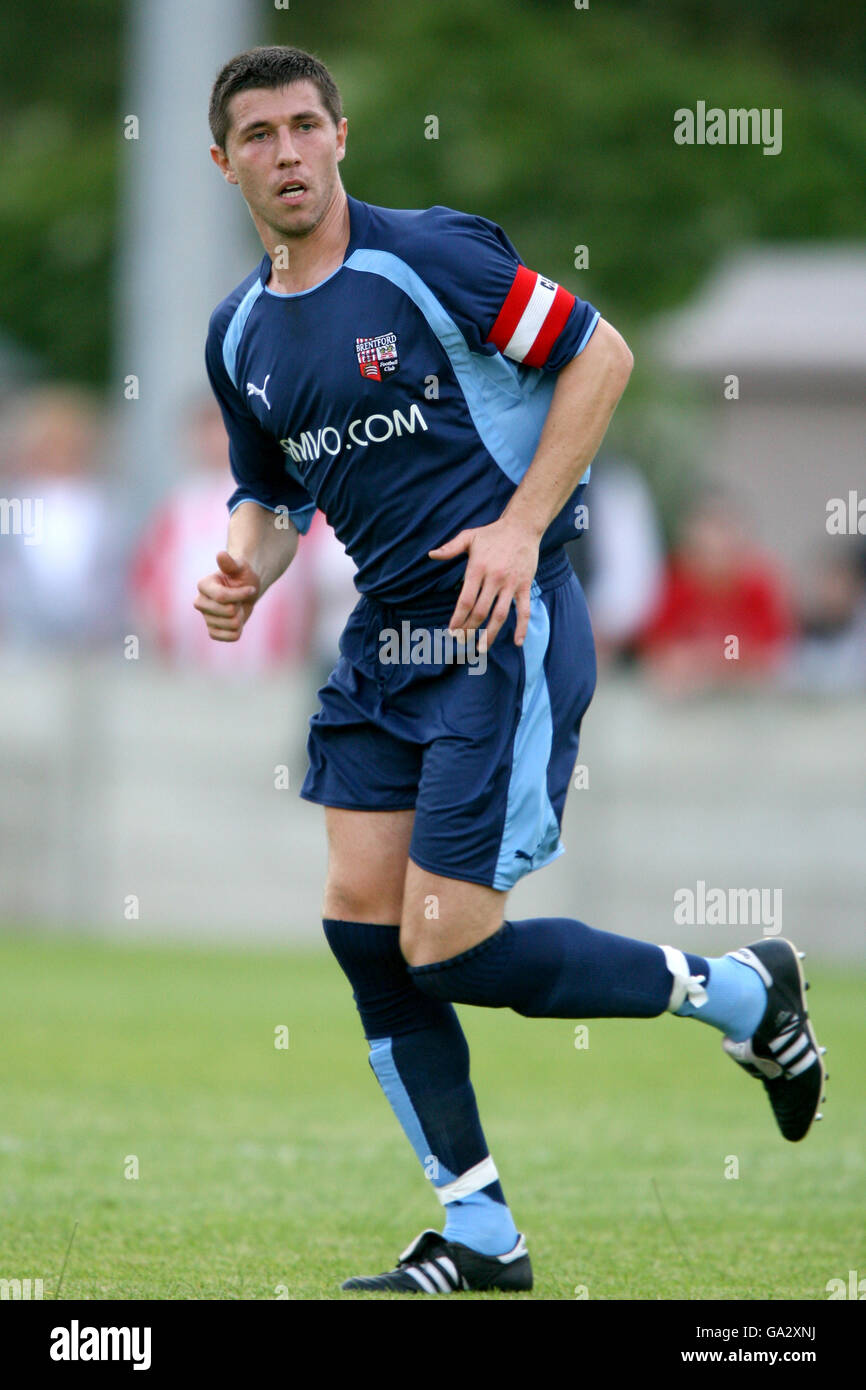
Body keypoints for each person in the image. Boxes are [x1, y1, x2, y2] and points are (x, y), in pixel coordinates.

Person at [195, 46, 826, 1295]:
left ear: (339, 137)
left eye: (304, 126)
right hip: (386, 639)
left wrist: (523, 521)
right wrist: (239, 569)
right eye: (257, 135)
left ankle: (740, 992)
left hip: (503, 623)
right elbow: (268, 496)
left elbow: (600, 354)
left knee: (453, 946)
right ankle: (477, 1229)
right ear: (225, 164)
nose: (285, 153)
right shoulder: (238, 333)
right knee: (363, 929)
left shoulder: (424, 257)